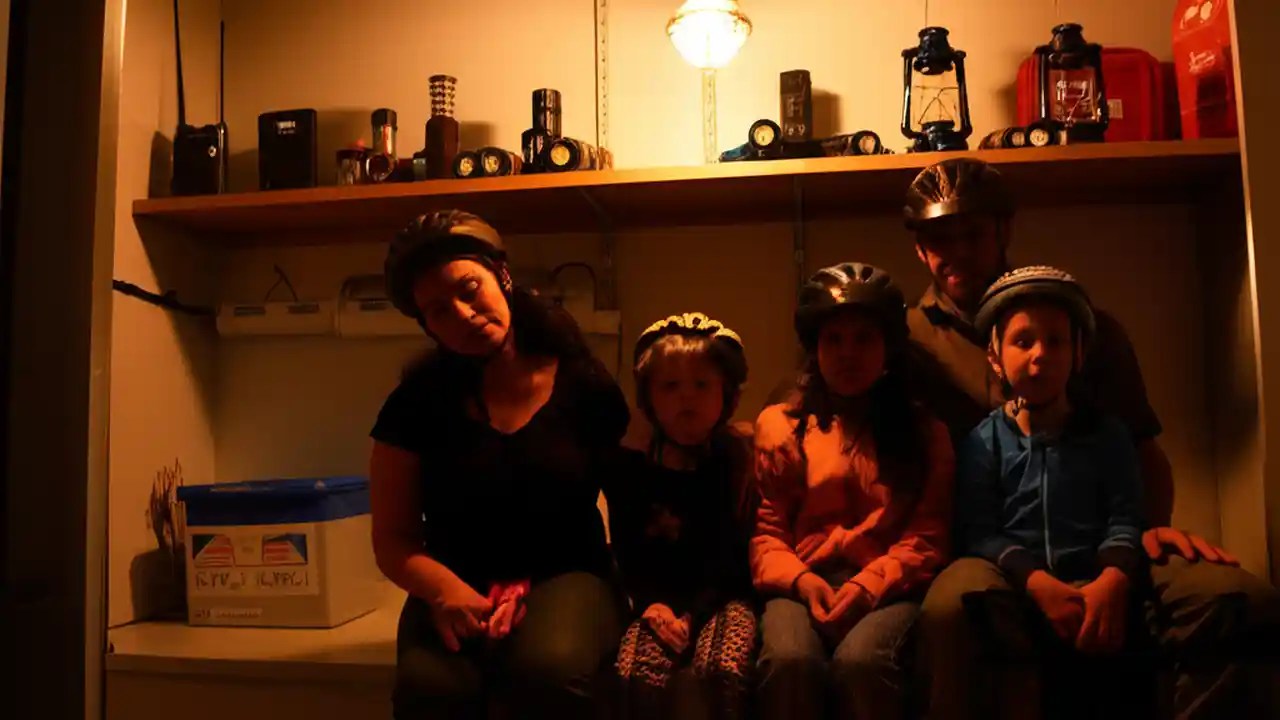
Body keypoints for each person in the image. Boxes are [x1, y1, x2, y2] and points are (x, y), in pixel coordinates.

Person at [904, 160, 1280, 719]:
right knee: (953, 608)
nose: (957, 251)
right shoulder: (906, 340)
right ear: (919, 248)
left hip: (1106, 537)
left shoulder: (1090, 331)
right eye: (940, 238)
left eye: (973, 234)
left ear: (1004, 230)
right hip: (987, 550)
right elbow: (823, 393)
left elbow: (1141, 450)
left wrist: (1143, 536)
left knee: (1239, 600)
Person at [369, 210, 629, 720]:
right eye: (438, 311)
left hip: (567, 573)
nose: (462, 314)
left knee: (548, 672)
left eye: (469, 289)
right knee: (431, 689)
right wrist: (444, 593)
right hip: (454, 578)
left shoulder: (584, 384)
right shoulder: (414, 404)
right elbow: (392, 538)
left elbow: (639, 491)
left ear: (502, 277)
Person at [752, 263, 954, 720]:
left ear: (888, 348)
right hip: (802, 581)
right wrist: (801, 581)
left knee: (862, 663)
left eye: (864, 339)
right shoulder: (785, 428)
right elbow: (768, 533)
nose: (848, 354)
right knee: (790, 660)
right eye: (834, 340)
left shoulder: (925, 433)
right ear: (815, 349)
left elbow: (928, 537)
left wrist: (868, 585)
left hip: (888, 587)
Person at [958, 266, 1155, 717]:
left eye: (1056, 341)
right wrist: (1035, 581)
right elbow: (980, 529)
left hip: (1096, 583)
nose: (1041, 355)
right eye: (1023, 341)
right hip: (1023, 589)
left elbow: (1126, 515)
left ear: (1078, 353)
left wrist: (1113, 578)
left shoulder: (1107, 435)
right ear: (995, 356)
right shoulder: (985, 441)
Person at [604, 312, 758, 720]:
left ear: (727, 394)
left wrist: (693, 613)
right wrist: (652, 603)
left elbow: (733, 556)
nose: (686, 397)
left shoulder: (738, 461)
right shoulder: (630, 467)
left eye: (701, 385)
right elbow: (628, 548)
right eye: (670, 386)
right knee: (634, 671)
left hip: (725, 596)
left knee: (723, 669)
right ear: (649, 398)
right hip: (658, 598)